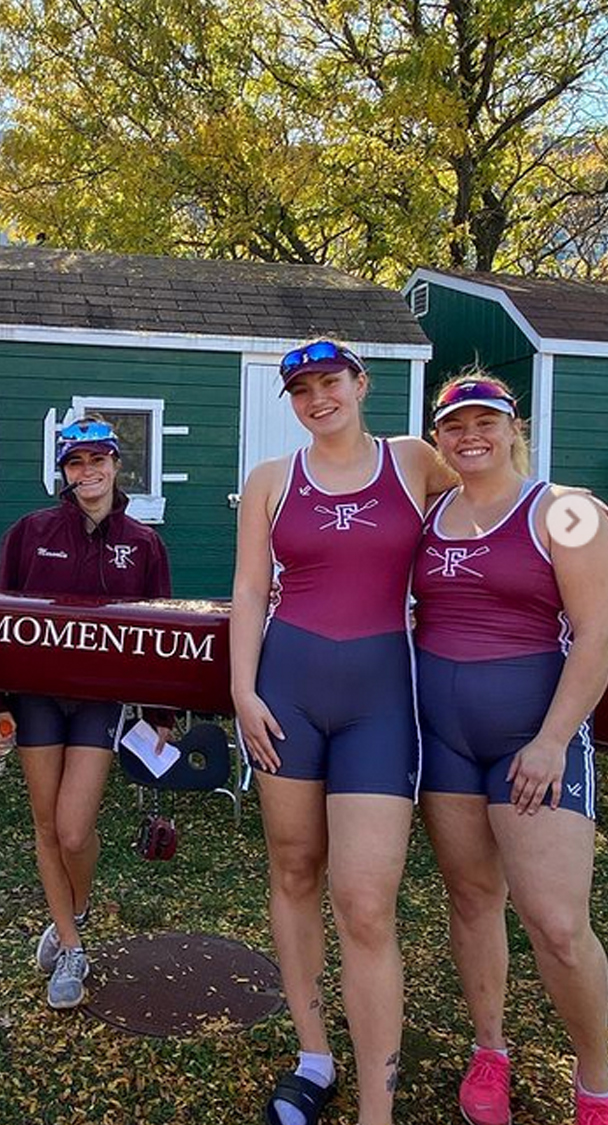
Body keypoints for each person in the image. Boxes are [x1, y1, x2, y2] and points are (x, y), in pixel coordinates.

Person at [230, 339, 455, 1125]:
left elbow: (488, 508)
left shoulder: (415, 461)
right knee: (294, 872)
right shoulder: (271, 480)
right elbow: (251, 590)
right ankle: (314, 1054)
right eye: (301, 388)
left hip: (379, 702)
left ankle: (376, 1107)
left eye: (331, 381)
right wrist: (241, 691)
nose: (317, 397)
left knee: (364, 903)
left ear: (362, 384)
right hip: (287, 695)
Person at [408, 373, 608, 1125]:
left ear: (513, 424)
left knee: (557, 923)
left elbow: (599, 632)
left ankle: (596, 1080)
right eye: (454, 426)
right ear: (441, 438)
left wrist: (555, 739)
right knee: (472, 898)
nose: (469, 437)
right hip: (445, 742)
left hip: (534, 742)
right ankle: (489, 1048)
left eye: (484, 422)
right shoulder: (429, 511)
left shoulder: (571, 510)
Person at [0, 417, 172, 1010]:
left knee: (73, 828)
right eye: (74, 463)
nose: (87, 472)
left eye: (98, 461)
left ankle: (76, 906)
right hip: (35, 699)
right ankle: (71, 943)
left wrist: (162, 715)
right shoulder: (29, 532)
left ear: (117, 465)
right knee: (45, 825)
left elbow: (163, 628)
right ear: (62, 471)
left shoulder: (142, 543)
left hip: (99, 700)